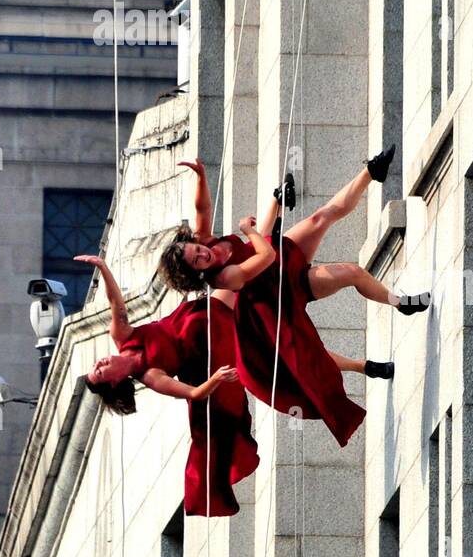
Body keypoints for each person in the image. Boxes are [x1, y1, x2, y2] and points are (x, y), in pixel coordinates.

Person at [157, 150, 428, 447]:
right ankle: (399, 307)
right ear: (197, 274)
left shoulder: (203, 241)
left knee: (320, 217)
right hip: (279, 292)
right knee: (350, 275)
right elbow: (265, 255)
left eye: (195, 249)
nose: (202, 254)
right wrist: (259, 222)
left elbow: (202, 209)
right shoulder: (223, 277)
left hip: (278, 262)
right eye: (198, 261)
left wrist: (201, 175)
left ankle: (371, 172)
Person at [80, 252, 260, 518]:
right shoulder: (150, 375)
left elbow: (114, 301)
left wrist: (103, 267)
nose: (99, 364)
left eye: (95, 366)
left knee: (249, 271)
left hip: (194, 315)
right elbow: (195, 393)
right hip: (204, 334)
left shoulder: (122, 336)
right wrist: (217, 378)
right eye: (100, 372)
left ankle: (271, 237)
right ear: (115, 381)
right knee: (249, 277)